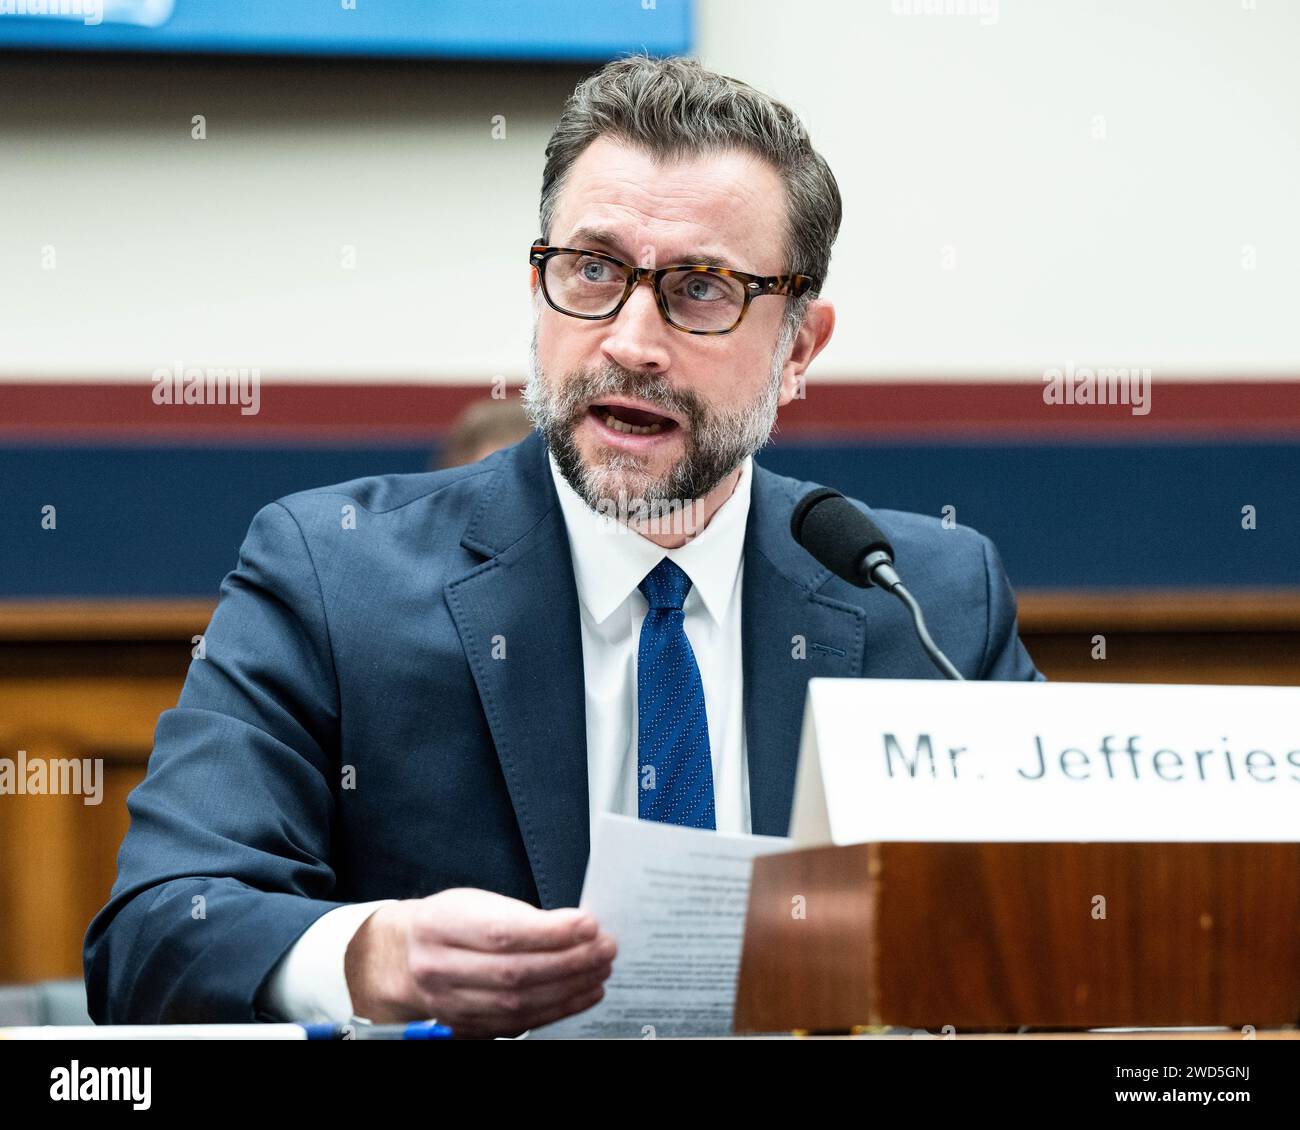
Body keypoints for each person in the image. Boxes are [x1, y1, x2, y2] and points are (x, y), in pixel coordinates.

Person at [84, 52, 1043, 1039]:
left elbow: (1063, 926)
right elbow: (155, 935)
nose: (630, 339)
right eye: (591, 271)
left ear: (798, 348)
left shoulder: (924, 600)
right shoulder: (333, 575)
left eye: (702, 287)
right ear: (537, 289)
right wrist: (381, 952)